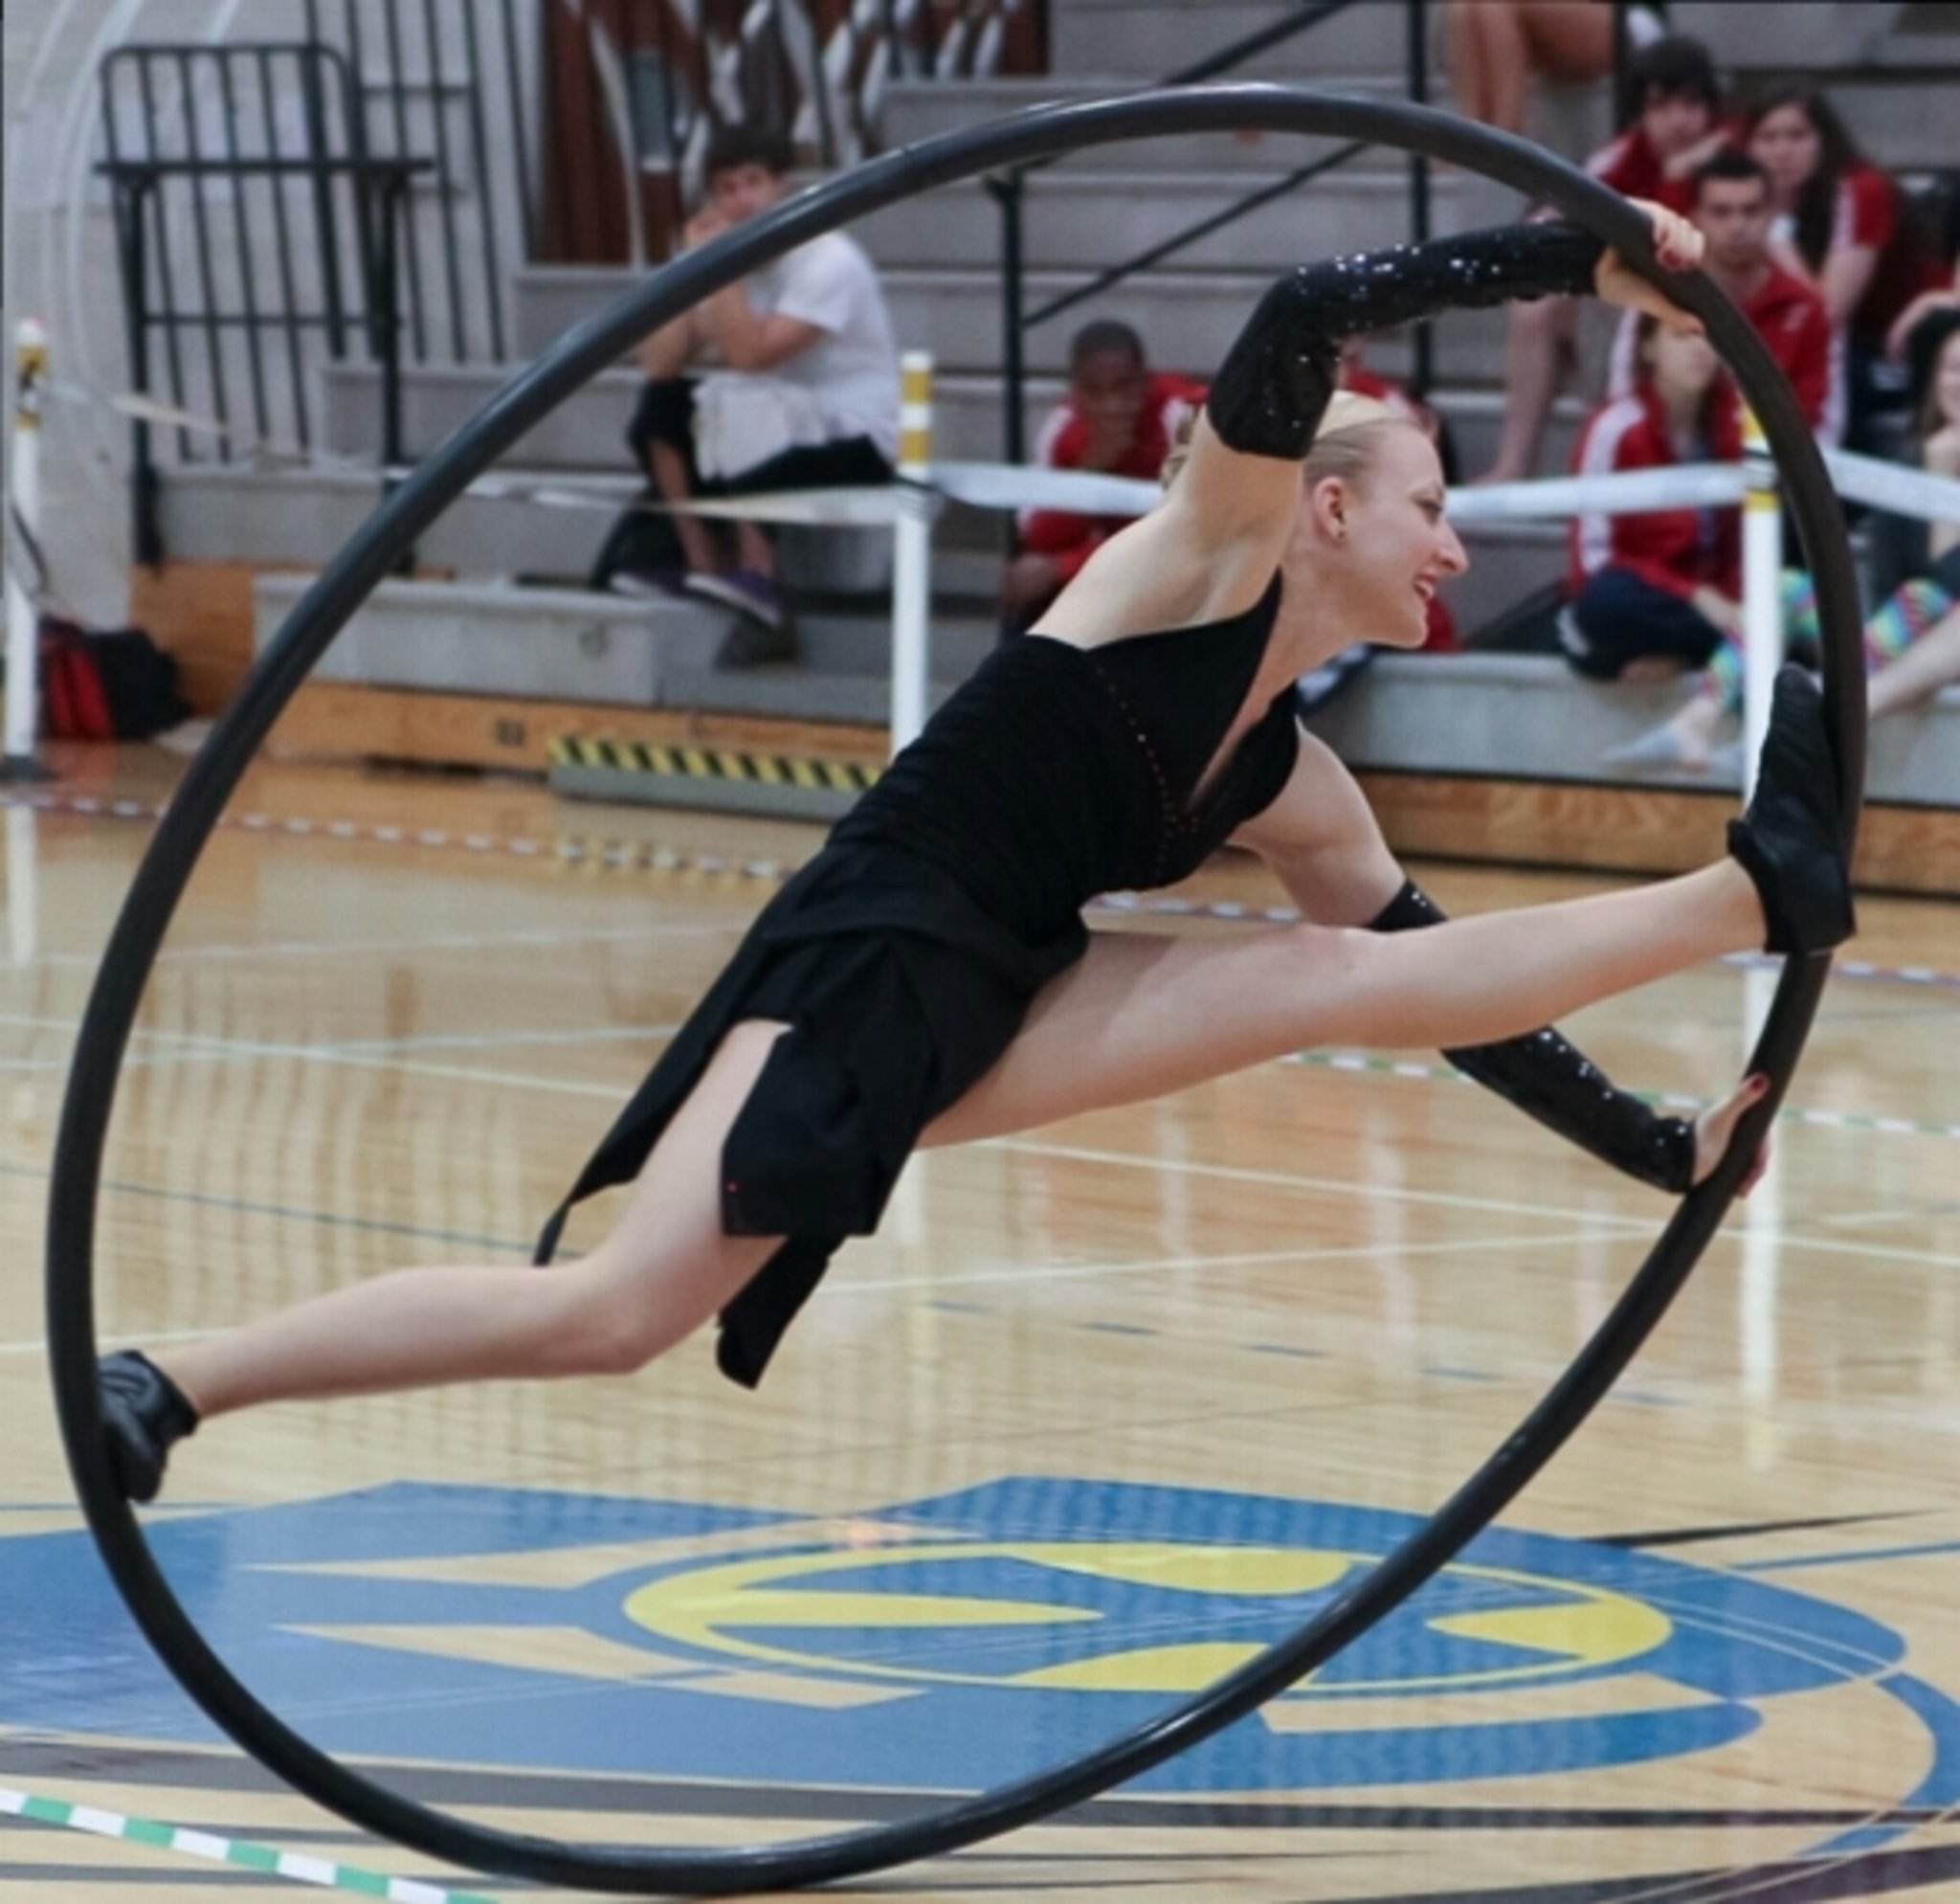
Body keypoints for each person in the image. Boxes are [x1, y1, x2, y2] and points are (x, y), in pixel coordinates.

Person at [96, 206, 1856, 1506]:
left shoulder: (1292, 779)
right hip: (876, 941)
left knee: (1344, 969)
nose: (1455, 549)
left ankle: (1748, 886)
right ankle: (170, 1375)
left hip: (1016, 974)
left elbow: (1452, 999)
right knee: (616, 1310)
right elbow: (1303, 298)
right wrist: (1574, 252)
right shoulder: (1194, 556)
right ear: (1325, 506)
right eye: (1429, 506)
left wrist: (1654, 1146)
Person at [1608, 309, 1960, 772]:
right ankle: (1696, 719)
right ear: (1934, 378)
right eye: (1953, 368)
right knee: (1786, 587)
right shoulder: (1909, 459)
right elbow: (1886, 580)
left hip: (1939, 645)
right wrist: (1935, 465)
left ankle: (1806, 719)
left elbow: (1935, 592)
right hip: (1891, 635)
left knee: (1924, 597)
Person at [612, 123, 901, 661]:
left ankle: (759, 577)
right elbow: (658, 364)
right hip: (777, 425)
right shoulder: (732, 259)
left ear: (781, 187)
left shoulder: (828, 259)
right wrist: (693, 270)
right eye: (727, 188)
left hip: (857, 435)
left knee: (741, 392)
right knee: (663, 408)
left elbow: (751, 355)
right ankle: (702, 562)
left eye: (753, 183)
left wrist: (721, 271)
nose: (742, 200)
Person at [1477, 35, 1729, 484]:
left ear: (1710, 107)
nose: (1677, 121)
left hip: (1721, 302)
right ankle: (1516, 461)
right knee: (1538, 305)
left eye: (1689, 104)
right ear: (1639, 114)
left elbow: (1687, 257)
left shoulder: (1736, 157)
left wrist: (1676, 180)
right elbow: (1548, 219)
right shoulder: (1624, 157)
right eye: (1660, 106)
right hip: (1644, 306)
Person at [1748, 88, 1945, 450]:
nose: (1782, 151)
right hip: (1844, 346)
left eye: (1797, 135)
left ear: (1824, 140)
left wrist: (1774, 233)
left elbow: (1827, 313)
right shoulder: (1741, 196)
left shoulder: (1860, 189)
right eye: (1768, 138)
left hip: (1897, 342)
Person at [1558, 314, 1744, 684]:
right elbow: (1594, 561)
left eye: (1707, 337)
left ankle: (1689, 656)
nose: (1698, 349)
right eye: (1680, 336)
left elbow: (1747, 543)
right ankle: (1712, 654)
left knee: (1788, 602)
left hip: (1716, 606)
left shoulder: (1739, 425)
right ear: (1648, 347)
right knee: (1604, 603)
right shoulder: (1614, 429)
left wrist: (1729, 602)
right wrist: (1694, 595)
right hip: (1653, 601)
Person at [1605, 149, 1836, 441]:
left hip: (1770, 478)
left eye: (1750, 210)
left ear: (1772, 216)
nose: (1737, 226)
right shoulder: (1657, 293)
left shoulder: (1806, 307)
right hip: (1661, 467)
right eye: (1721, 212)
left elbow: (1823, 425)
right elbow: (1624, 397)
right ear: (1695, 216)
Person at [1002, 321, 1206, 634]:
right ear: (1075, 391)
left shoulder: (1186, 415)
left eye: (1123, 387)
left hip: (1195, 571)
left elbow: (1197, 532)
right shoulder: (1064, 427)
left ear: (1145, 381)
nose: (1111, 405)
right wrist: (1090, 467)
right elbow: (1038, 538)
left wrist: (1064, 566)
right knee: (1027, 584)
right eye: (1093, 391)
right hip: (1117, 572)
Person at [1445, 0, 1667, 145]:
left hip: (1628, 19)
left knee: (1497, 4)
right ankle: (1470, 132)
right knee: (1463, 8)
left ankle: (1506, 137)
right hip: (1554, 20)